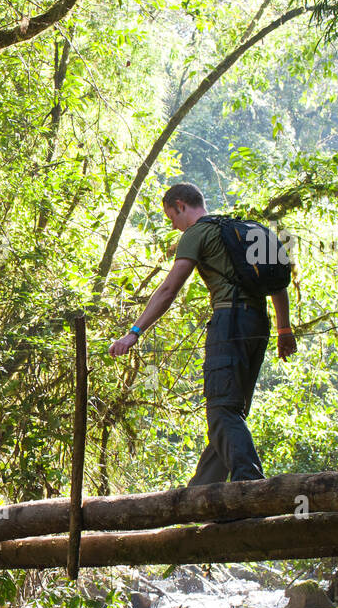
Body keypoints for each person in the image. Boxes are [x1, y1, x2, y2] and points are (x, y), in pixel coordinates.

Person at [108, 183, 297, 485]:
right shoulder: (236, 229)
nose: (174, 225)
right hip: (258, 324)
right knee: (230, 412)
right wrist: (284, 329)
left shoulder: (197, 233)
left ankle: (249, 485)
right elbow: (277, 284)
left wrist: (134, 332)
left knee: (222, 410)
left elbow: (169, 289)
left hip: (229, 321)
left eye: (172, 217)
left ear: (181, 205)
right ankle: (202, 492)